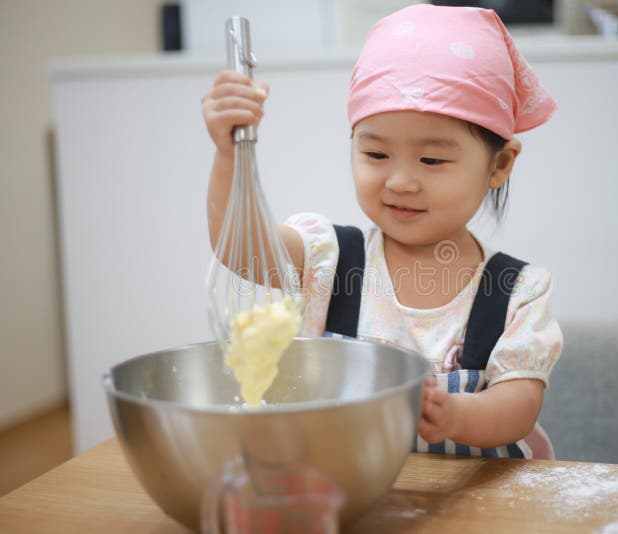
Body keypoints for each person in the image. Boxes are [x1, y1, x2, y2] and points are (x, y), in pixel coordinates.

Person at [202, 4, 563, 458]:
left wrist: (455, 416)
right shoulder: (329, 259)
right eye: (376, 155)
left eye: (431, 160)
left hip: (473, 496)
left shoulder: (516, 293)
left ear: (500, 164)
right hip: (351, 490)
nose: (400, 181)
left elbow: (519, 406)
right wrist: (229, 153)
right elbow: (241, 247)